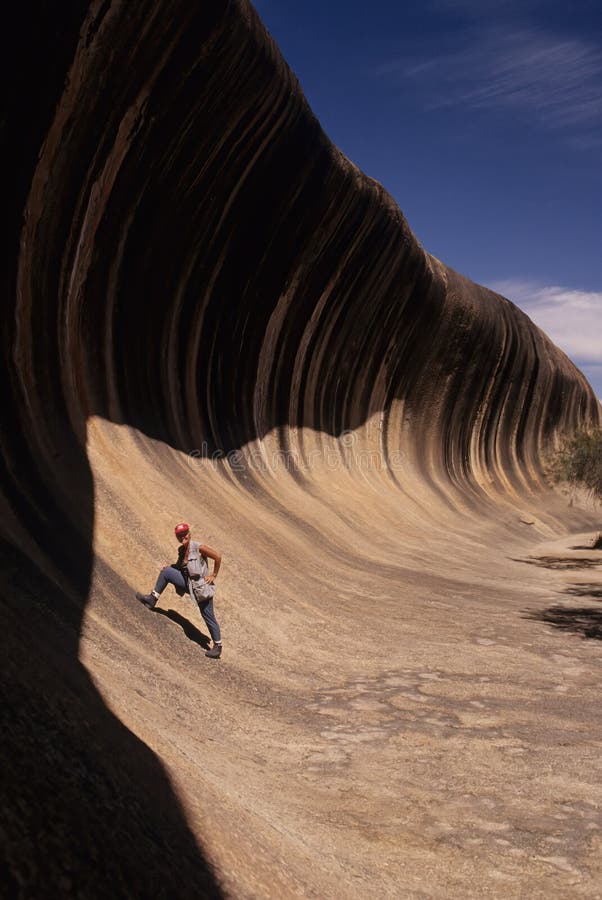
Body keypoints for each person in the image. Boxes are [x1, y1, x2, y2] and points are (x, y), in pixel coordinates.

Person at [136, 522, 223, 659]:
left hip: (201, 588)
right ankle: (153, 598)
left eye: (184, 534)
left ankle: (217, 646)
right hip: (188, 584)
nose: (182, 537)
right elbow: (178, 567)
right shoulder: (182, 551)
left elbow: (217, 556)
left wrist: (213, 575)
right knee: (166, 572)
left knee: (208, 616)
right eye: (179, 536)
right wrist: (169, 567)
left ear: (189, 533)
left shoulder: (198, 547)